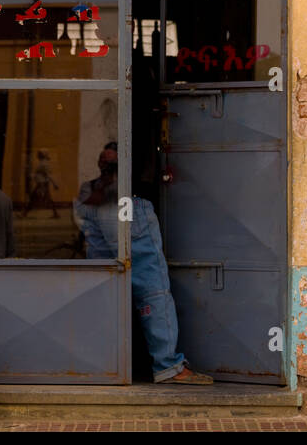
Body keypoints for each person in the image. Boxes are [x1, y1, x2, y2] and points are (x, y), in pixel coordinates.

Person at [74, 142, 213, 385]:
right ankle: (168, 365)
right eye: (106, 164)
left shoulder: (94, 187)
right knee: (153, 291)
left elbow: (86, 206)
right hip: (130, 207)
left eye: (112, 165)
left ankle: (99, 365)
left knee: (102, 288)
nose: (108, 169)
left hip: (99, 216)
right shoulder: (116, 180)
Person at [23, 149, 59, 218]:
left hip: (41, 185)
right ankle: (55, 214)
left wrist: (55, 184)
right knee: (48, 199)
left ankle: (24, 213)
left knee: (33, 198)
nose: (37, 155)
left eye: (39, 154)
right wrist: (33, 175)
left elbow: (48, 175)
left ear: (42, 155)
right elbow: (40, 174)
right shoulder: (43, 163)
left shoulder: (43, 164)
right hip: (42, 184)